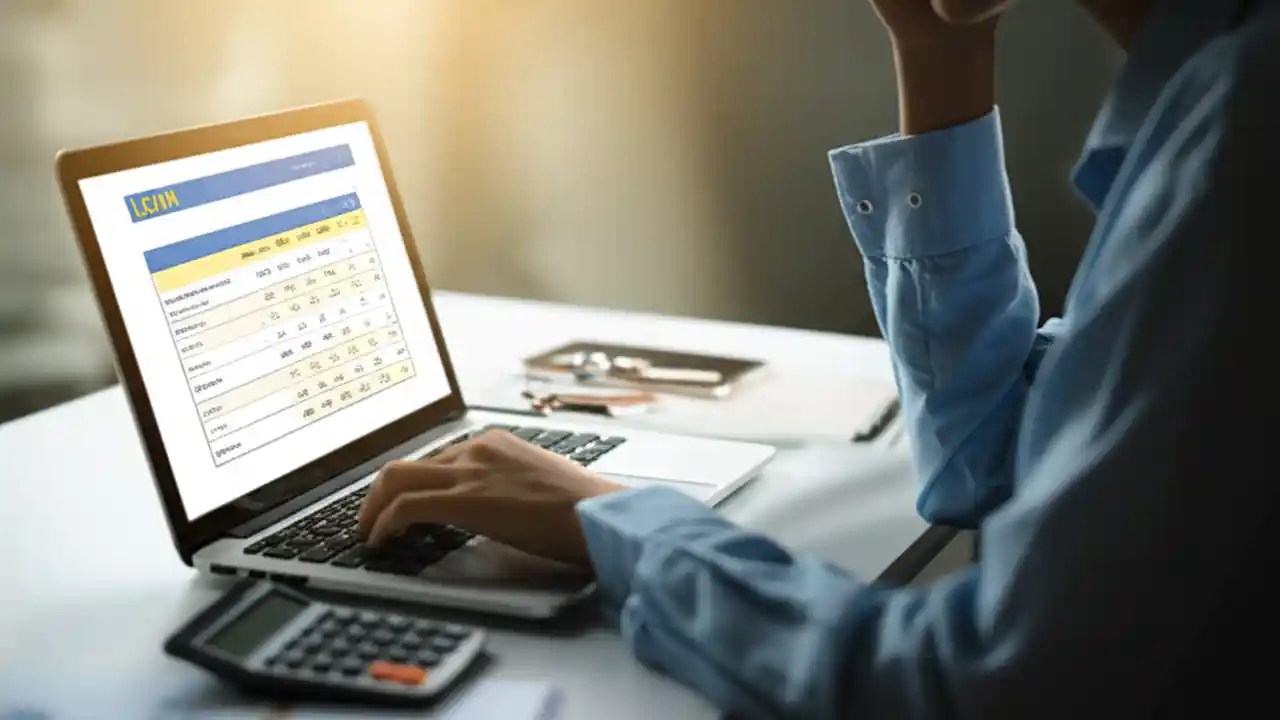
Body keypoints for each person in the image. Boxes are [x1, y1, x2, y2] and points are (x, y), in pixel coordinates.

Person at [358, 0, 1276, 716]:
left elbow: (975, 688)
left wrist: (623, 527)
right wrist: (940, 51)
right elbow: (991, 463)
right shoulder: (1217, 94)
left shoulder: (1245, 136)